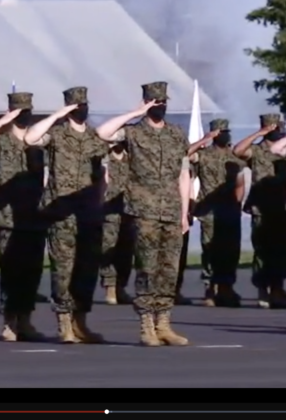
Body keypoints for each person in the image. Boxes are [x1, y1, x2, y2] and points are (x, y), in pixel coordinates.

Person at [96, 82, 191, 347]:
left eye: (163, 102)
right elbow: (103, 133)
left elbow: (184, 174)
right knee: (147, 269)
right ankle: (147, 325)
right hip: (144, 210)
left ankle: (164, 324)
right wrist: (133, 113)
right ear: (146, 102)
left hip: (172, 210)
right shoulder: (133, 133)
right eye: (154, 102)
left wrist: (184, 213)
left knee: (169, 270)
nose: (160, 106)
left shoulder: (176, 134)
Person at [26, 87, 108, 343]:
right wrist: (58, 114)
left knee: (86, 271)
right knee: (63, 269)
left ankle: (80, 322)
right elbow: (31, 138)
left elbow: (103, 173)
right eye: (77, 106)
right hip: (61, 213)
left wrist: (100, 200)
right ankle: (64, 324)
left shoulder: (95, 136)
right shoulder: (58, 134)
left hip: (88, 213)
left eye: (84, 105)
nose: (82, 109)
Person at [0, 92, 48, 342]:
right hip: (8, 218)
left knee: (32, 272)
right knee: (11, 271)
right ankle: (9, 322)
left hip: (35, 216)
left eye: (28, 111)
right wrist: (3, 120)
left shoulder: (39, 143)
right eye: (20, 111)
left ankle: (25, 320)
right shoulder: (1, 142)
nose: (24, 115)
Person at [233, 115, 286, 309]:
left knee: (282, 251)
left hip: (283, 207)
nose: (279, 131)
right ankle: (263, 290)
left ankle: (277, 288)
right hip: (262, 208)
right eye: (274, 128)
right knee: (263, 251)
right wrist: (259, 134)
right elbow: (238, 151)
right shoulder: (258, 150)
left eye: (280, 127)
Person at [188, 119, 244, 307]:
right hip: (209, 210)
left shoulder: (234, 155)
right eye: (220, 132)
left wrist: (238, 202)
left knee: (230, 250)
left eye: (226, 131)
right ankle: (210, 288)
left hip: (229, 209)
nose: (224, 135)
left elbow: (240, 182)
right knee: (210, 249)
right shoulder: (203, 155)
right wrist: (203, 139)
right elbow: (184, 154)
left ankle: (227, 287)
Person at [99, 141, 135, 305]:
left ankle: (121, 286)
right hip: (108, 210)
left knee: (126, 250)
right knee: (108, 247)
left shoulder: (132, 159)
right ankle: (110, 286)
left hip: (128, 210)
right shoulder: (104, 158)